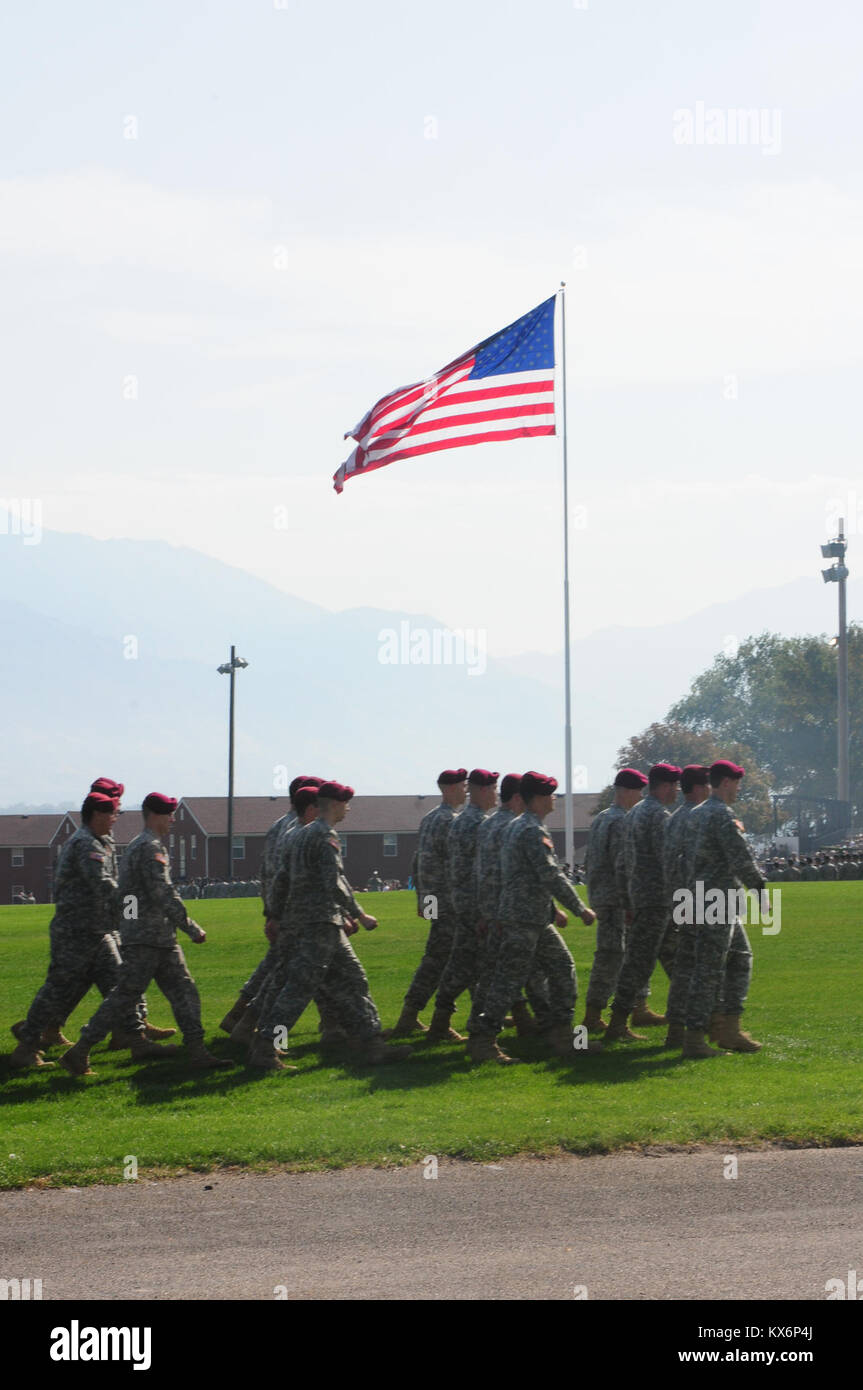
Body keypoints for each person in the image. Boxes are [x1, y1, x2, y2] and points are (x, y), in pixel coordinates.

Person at [61, 793, 231, 1075]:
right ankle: (79, 1051)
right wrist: (190, 926)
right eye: (169, 814)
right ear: (154, 815)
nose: (173, 820)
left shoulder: (140, 846)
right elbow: (162, 892)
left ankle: (198, 1052)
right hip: (149, 939)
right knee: (125, 997)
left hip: (155, 937)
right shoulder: (150, 848)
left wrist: (130, 925)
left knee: (183, 992)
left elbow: (129, 895)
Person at [248, 782, 410, 1071]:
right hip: (319, 924)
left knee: (354, 979)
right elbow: (332, 882)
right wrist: (359, 915)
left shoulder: (296, 834)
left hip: (306, 923)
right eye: (346, 803)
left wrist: (274, 914)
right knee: (298, 989)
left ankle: (371, 1042)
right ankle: (264, 1048)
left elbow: (280, 879)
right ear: (334, 804)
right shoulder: (324, 835)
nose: (349, 808)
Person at [466, 771, 597, 1065]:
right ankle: (482, 1041)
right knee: (507, 982)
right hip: (523, 920)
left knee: (560, 968)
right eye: (551, 794)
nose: (554, 799)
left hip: (527, 917)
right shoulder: (531, 830)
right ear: (537, 798)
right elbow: (549, 875)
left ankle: (561, 1035)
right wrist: (580, 908)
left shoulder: (517, 826)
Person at [9, 791, 144, 1069]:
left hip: (96, 932)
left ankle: (135, 1038)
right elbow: (104, 884)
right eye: (112, 814)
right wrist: (133, 905)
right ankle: (27, 1046)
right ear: (97, 815)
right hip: (75, 934)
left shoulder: (98, 841)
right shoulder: (85, 844)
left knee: (121, 982)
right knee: (56, 990)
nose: (115, 820)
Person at [220, 775, 326, 1037]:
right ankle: (256, 1029)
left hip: (281, 911)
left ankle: (239, 1016)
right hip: (298, 915)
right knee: (290, 973)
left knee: (280, 968)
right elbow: (287, 875)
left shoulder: (278, 826)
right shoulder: (303, 828)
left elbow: (267, 873)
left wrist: (271, 912)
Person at [682, 760, 765, 1058]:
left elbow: (682, 859)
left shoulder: (695, 814)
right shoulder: (721, 814)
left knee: (740, 957)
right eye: (737, 782)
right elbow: (740, 857)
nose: (739, 788)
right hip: (717, 901)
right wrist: (759, 887)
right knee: (708, 971)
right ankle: (694, 1039)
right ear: (726, 782)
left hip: (701, 898)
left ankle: (729, 1029)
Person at [384, 768, 467, 1038]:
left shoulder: (431, 818)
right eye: (463, 785)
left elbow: (418, 862)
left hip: (435, 899)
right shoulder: (451, 820)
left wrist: (424, 900)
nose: (466, 790)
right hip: (450, 902)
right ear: (450, 788)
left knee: (438, 958)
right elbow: (451, 864)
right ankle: (428, 1020)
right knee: (449, 958)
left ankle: (411, 1015)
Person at [604, 763, 681, 1043]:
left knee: (675, 960)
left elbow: (623, 863)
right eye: (675, 786)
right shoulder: (659, 815)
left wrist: (627, 900)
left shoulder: (635, 812)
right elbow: (668, 860)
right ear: (665, 786)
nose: (677, 791)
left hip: (641, 900)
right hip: (658, 901)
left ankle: (695, 1018)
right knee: (640, 964)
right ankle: (618, 1023)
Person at [426, 769, 499, 1041]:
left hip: (452, 900)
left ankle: (439, 1020)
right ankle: (472, 1026)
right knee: (449, 959)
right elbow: (479, 868)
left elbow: (424, 862)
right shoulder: (473, 822)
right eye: (493, 788)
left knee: (461, 962)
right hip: (466, 903)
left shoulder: (446, 819)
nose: (496, 794)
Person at [581, 768, 648, 1033]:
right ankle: (593, 1015)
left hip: (603, 895)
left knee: (627, 954)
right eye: (639, 791)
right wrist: (630, 900)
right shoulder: (621, 821)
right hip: (616, 899)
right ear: (627, 792)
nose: (641, 796)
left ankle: (638, 1007)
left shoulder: (602, 818)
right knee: (611, 956)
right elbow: (624, 864)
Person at [662, 765, 711, 1049]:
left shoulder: (675, 818)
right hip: (694, 900)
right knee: (696, 967)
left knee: (683, 967)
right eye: (706, 785)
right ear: (698, 788)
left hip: (683, 898)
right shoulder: (695, 817)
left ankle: (677, 1029)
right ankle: (694, 1030)